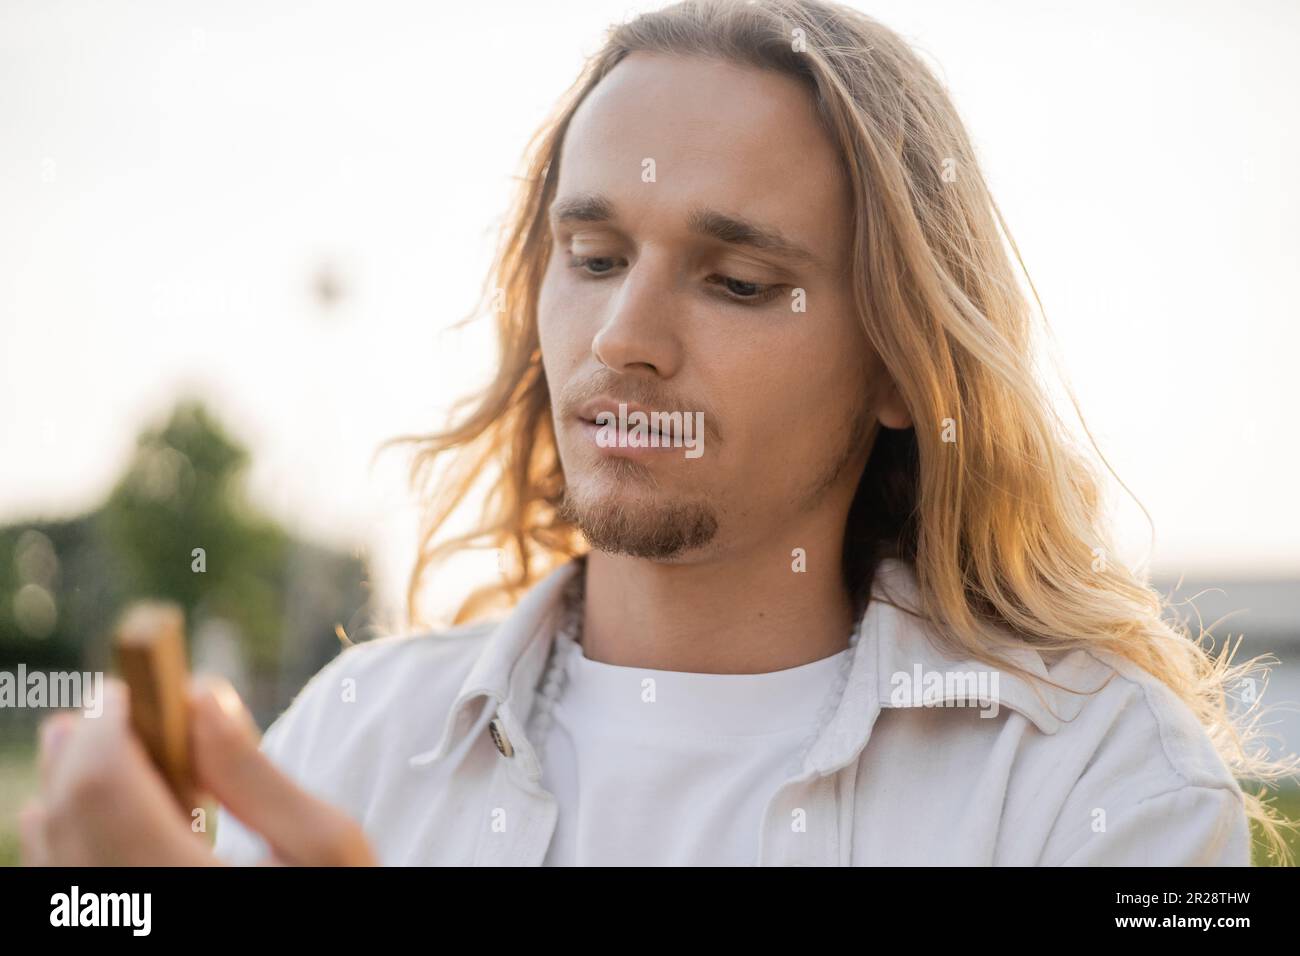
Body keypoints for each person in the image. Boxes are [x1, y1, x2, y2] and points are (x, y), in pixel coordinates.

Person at [21, 0, 1290, 867]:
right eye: (592, 255)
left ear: (903, 363)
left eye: (736, 280)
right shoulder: (352, 727)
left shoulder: (1108, 785)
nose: (621, 334)